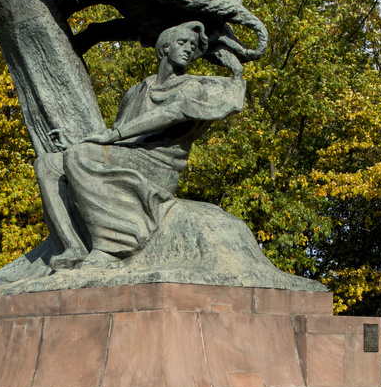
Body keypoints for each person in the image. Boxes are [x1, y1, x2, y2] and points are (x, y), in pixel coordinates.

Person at [33, 21, 246, 271]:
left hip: (159, 165)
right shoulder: (137, 91)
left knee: (79, 156)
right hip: (129, 155)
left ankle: (113, 246)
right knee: (47, 164)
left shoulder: (192, 87)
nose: (188, 49)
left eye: (192, 46)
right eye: (182, 43)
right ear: (164, 48)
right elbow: (118, 140)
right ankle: (73, 247)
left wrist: (109, 137)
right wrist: (81, 142)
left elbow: (170, 113)